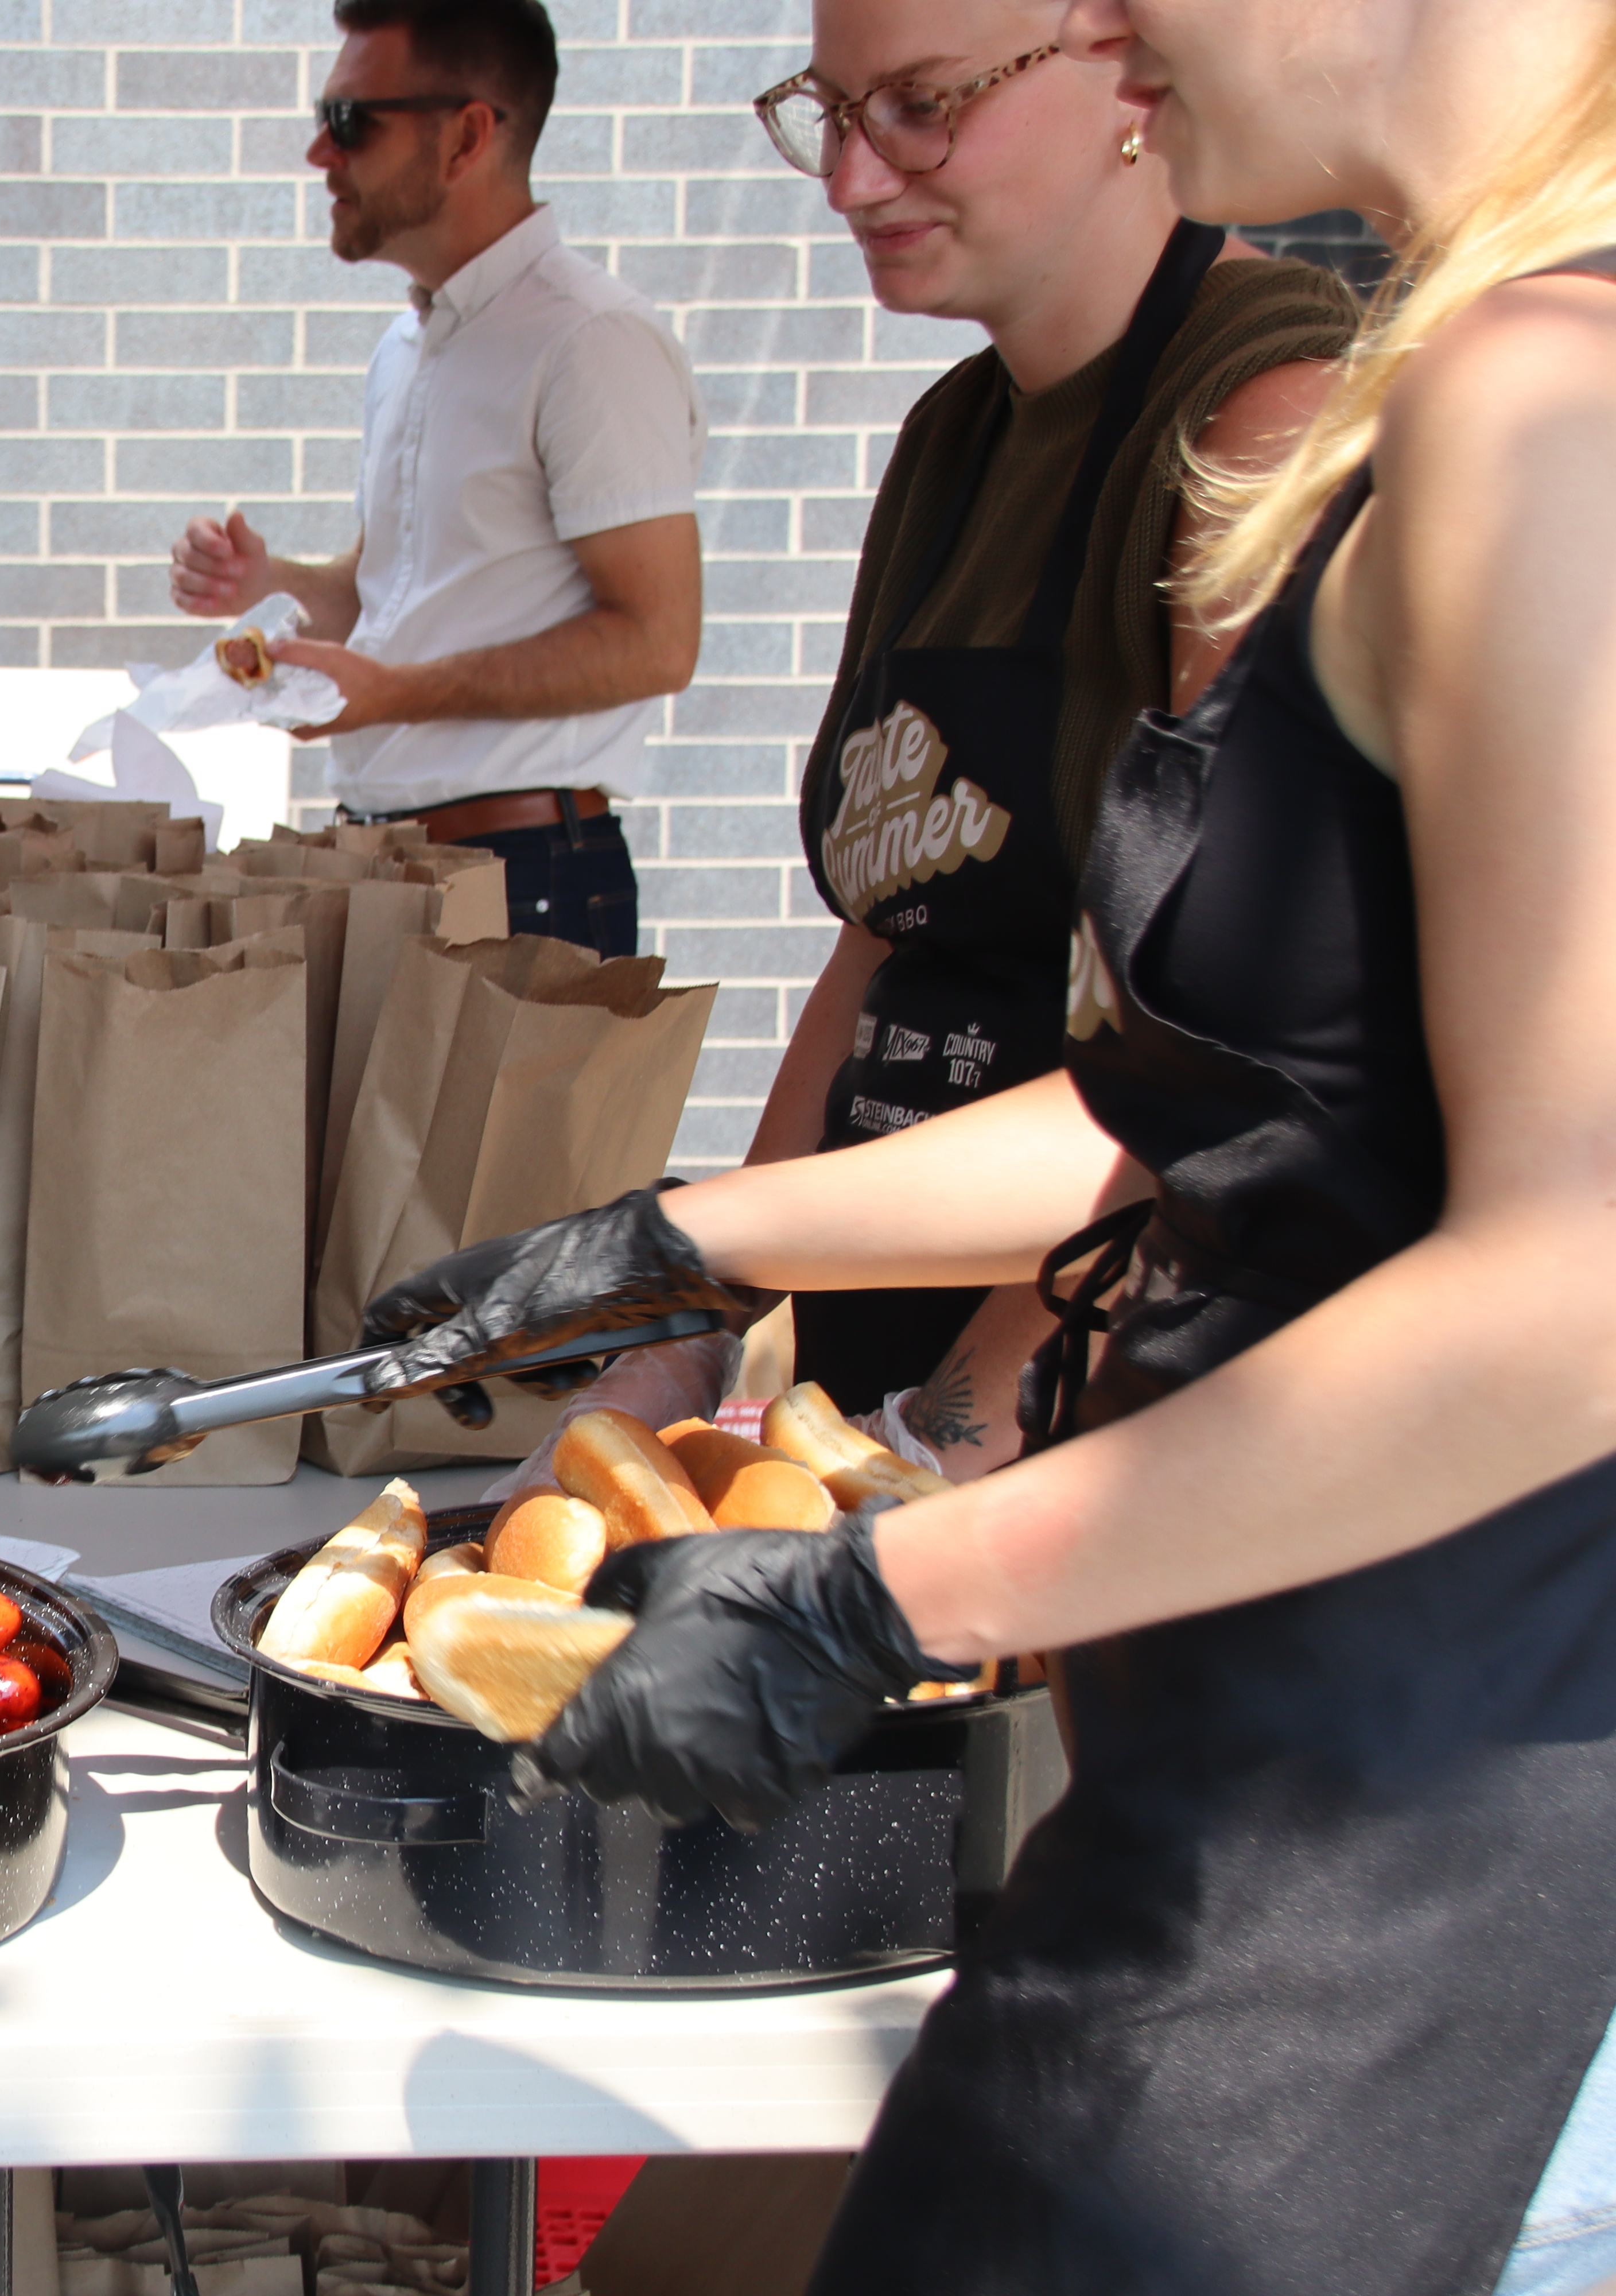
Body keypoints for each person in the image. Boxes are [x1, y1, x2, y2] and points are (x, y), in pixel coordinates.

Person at [355, 0, 1616, 2283]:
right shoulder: (1483, 382)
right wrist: (678, 1238)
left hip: (1419, 1836)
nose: (1111, 27)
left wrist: (887, 1589)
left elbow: (1579, 1288)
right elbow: (1212, 1112)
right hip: (1257, 1748)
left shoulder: (1555, 399)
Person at [737, 0, 1353, 1460]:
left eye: (923, 105)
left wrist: (936, 1450)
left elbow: (1222, 1086)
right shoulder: (952, 437)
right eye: (831, 112)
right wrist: (688, 1316)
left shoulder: (1271, 421)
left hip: (1095, 1404)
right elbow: (887, 934)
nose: (852, 181)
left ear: (1119, 66)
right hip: (877, 1354)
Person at [165, 0, 704, 960]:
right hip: (380, 864)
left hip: (521, 878)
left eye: (349, 122)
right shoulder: (407, 345)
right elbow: (397, 594)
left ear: (466, 137)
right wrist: (270, 581)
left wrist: (397, 693)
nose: (319, 154)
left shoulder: (593, 342)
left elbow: (657, 643)